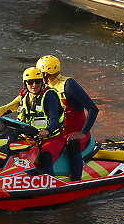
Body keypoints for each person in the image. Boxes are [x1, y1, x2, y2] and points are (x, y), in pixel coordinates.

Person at [0, 67, 67, 177]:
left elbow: (55, 119)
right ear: (25, 83)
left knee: (45, 157)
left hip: (51, 138)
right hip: (30, 139)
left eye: (38, 82)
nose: (34, 85)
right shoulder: (24, 96)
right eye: (30, 82)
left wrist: (47, 130)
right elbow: (7, 107)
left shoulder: (49, 95)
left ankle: (50, 184)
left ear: (42, 81)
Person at [36, 54, 99, 183]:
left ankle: (76, 181)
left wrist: (83, 133)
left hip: (75, 135)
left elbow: (93, 109)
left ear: (46, 74)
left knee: (73, 144)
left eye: (40, 74)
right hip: (56, 134)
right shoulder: (40, 88)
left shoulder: (69, 84)